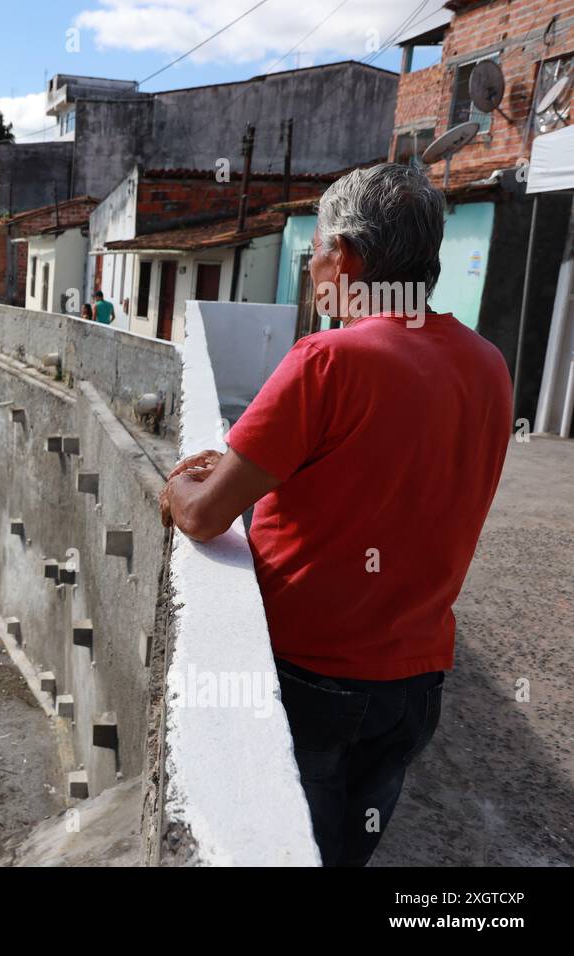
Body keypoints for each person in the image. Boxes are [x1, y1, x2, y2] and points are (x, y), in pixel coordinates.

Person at [158, 163, 511, 866]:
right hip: (415, 686)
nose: (312, 267)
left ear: (344, 254)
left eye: (312, 250)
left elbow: (202, 517)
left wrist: (176, 483)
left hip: (316, 683)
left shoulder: (327, 360)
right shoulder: (487, 364)